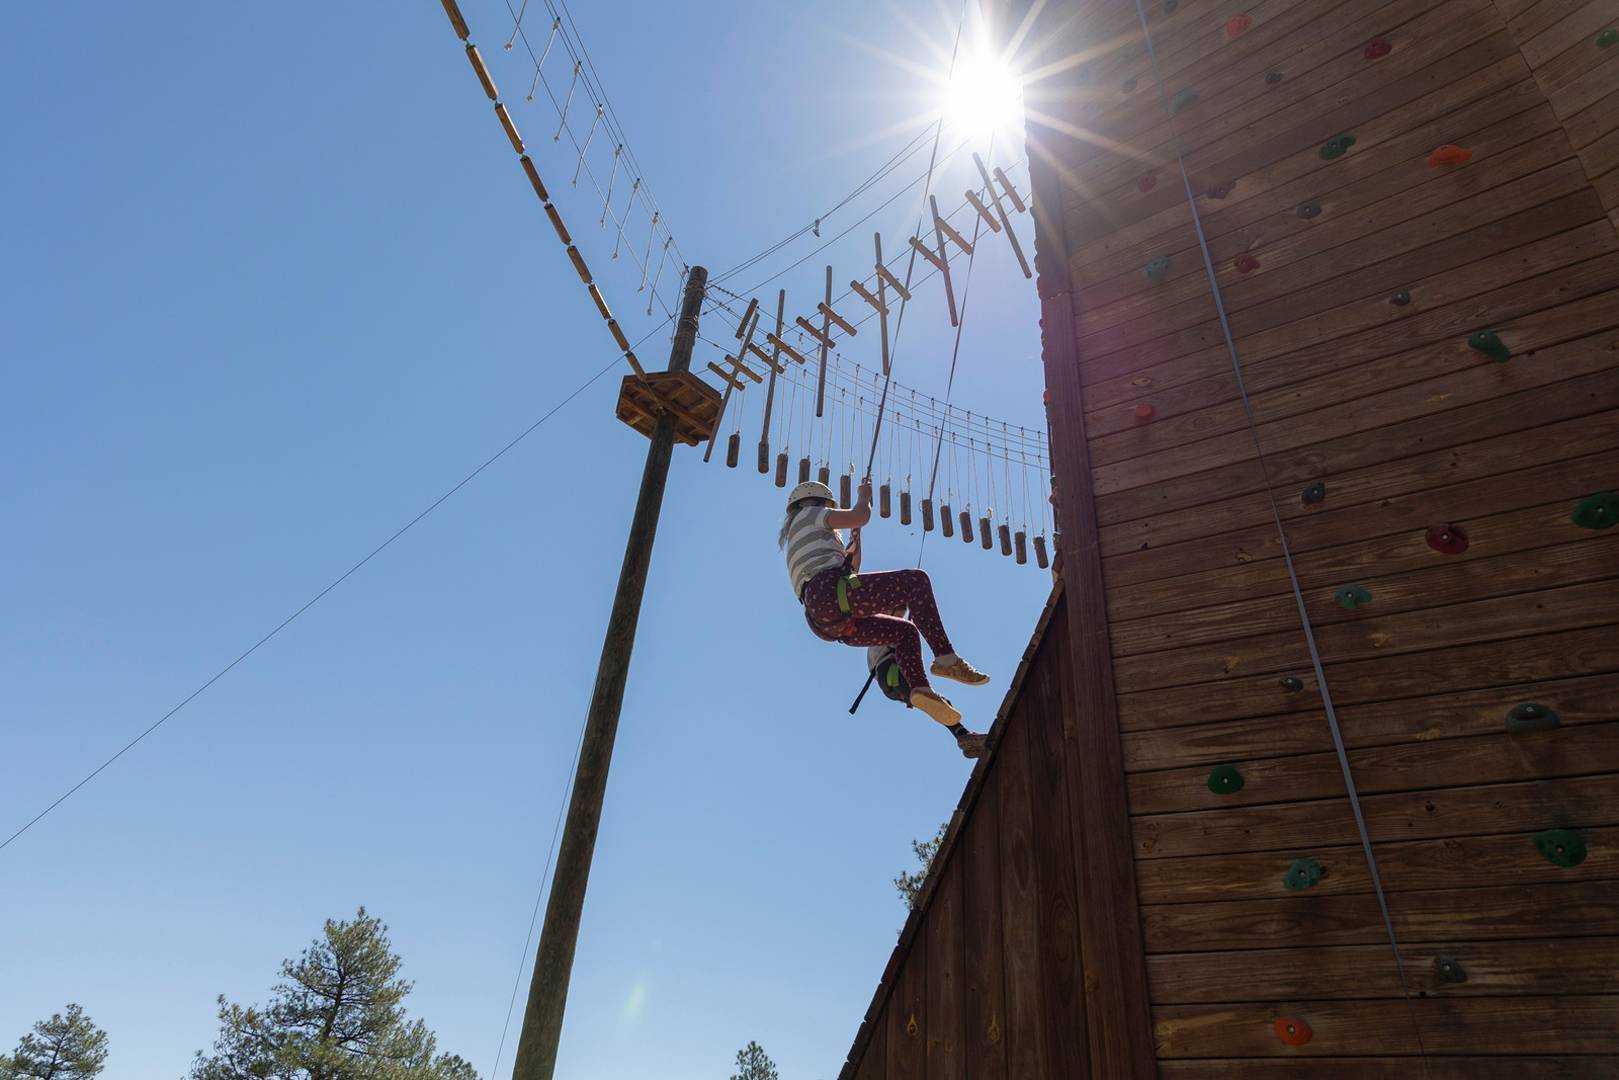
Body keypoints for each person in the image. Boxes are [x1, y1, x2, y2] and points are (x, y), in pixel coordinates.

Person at [781, 478, 990, 758]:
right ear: (820, 503)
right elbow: (860, 515)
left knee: (905, 632)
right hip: (830, 593)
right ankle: (946, 659)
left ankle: (922, 690)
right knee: (915, 581)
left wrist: (856, 542)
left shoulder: (802, 536)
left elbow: (852, 569)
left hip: (826, 619)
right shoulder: (809, 514)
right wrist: (864, 496)